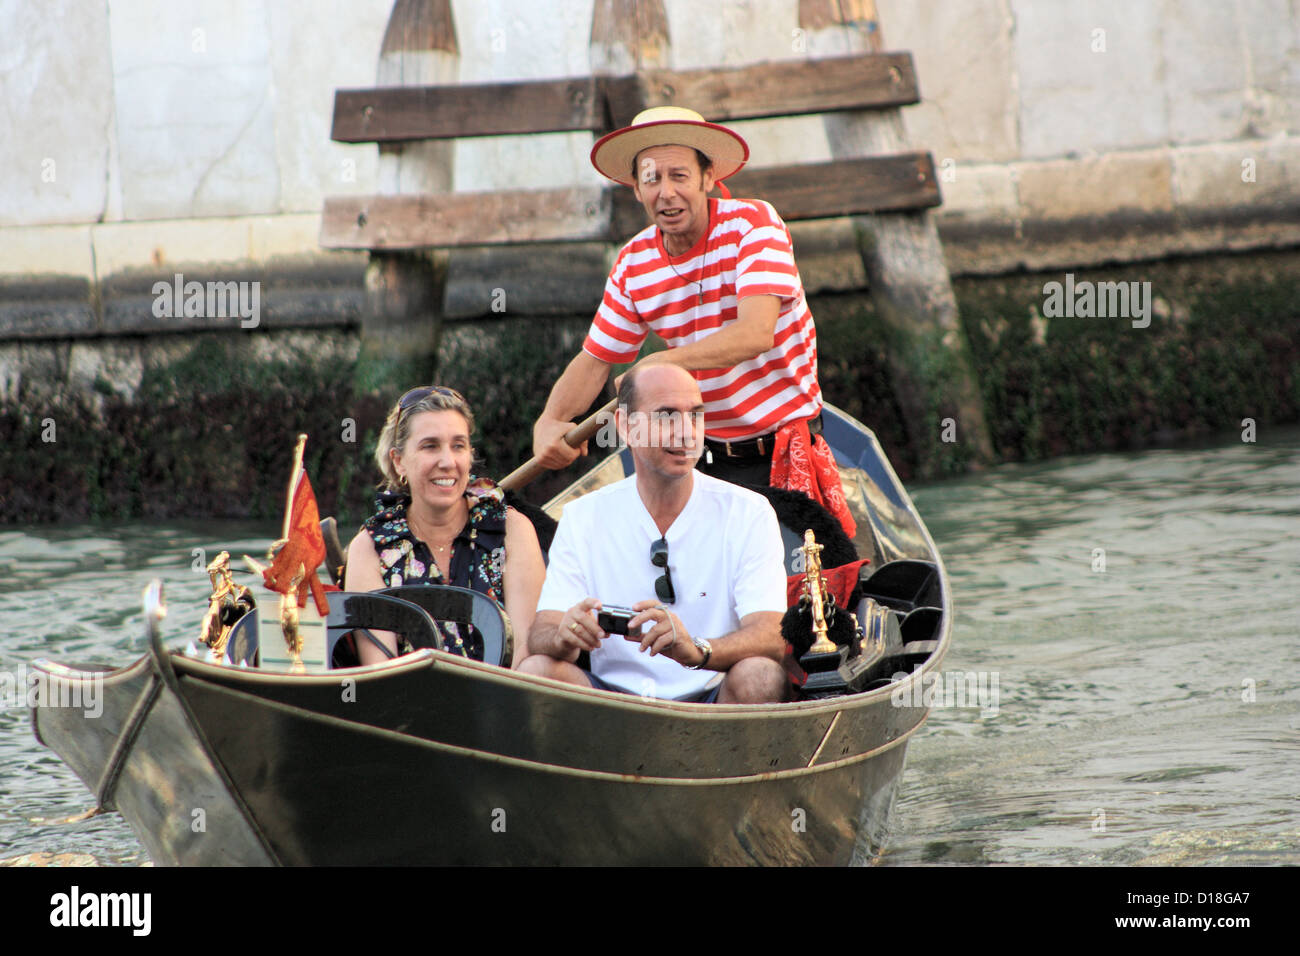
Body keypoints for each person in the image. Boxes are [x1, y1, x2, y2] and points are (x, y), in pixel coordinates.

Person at [531, 105, 831, 494]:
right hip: (697, 455)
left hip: (784, 451)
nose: (666, 192)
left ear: (707, 178)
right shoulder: (633, 263)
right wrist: (550, 421)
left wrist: (660, 363)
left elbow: (755, 334)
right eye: (652, 179)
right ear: (637, 189)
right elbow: (595, 361)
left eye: (680, 176)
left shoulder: (754, 225)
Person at [517, 363, 788, 703]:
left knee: (760, 675)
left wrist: (696, 650)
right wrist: (564, 634)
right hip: (612, 703)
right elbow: (542, 631)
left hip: (713, 698)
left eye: (695, 415)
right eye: (666, 416)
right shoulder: (583, 516)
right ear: (626, 427)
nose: (687, 432)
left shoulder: (749, 511)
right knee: (536, 670)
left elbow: (772, 635)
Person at [344, 385, 545, 666]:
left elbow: (524, 653)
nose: (448, 462)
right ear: (399, 461)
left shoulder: (512, 530)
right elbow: (380, 669)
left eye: (458, 446)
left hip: (503, 701)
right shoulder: (370, 548)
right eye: (430, 446)